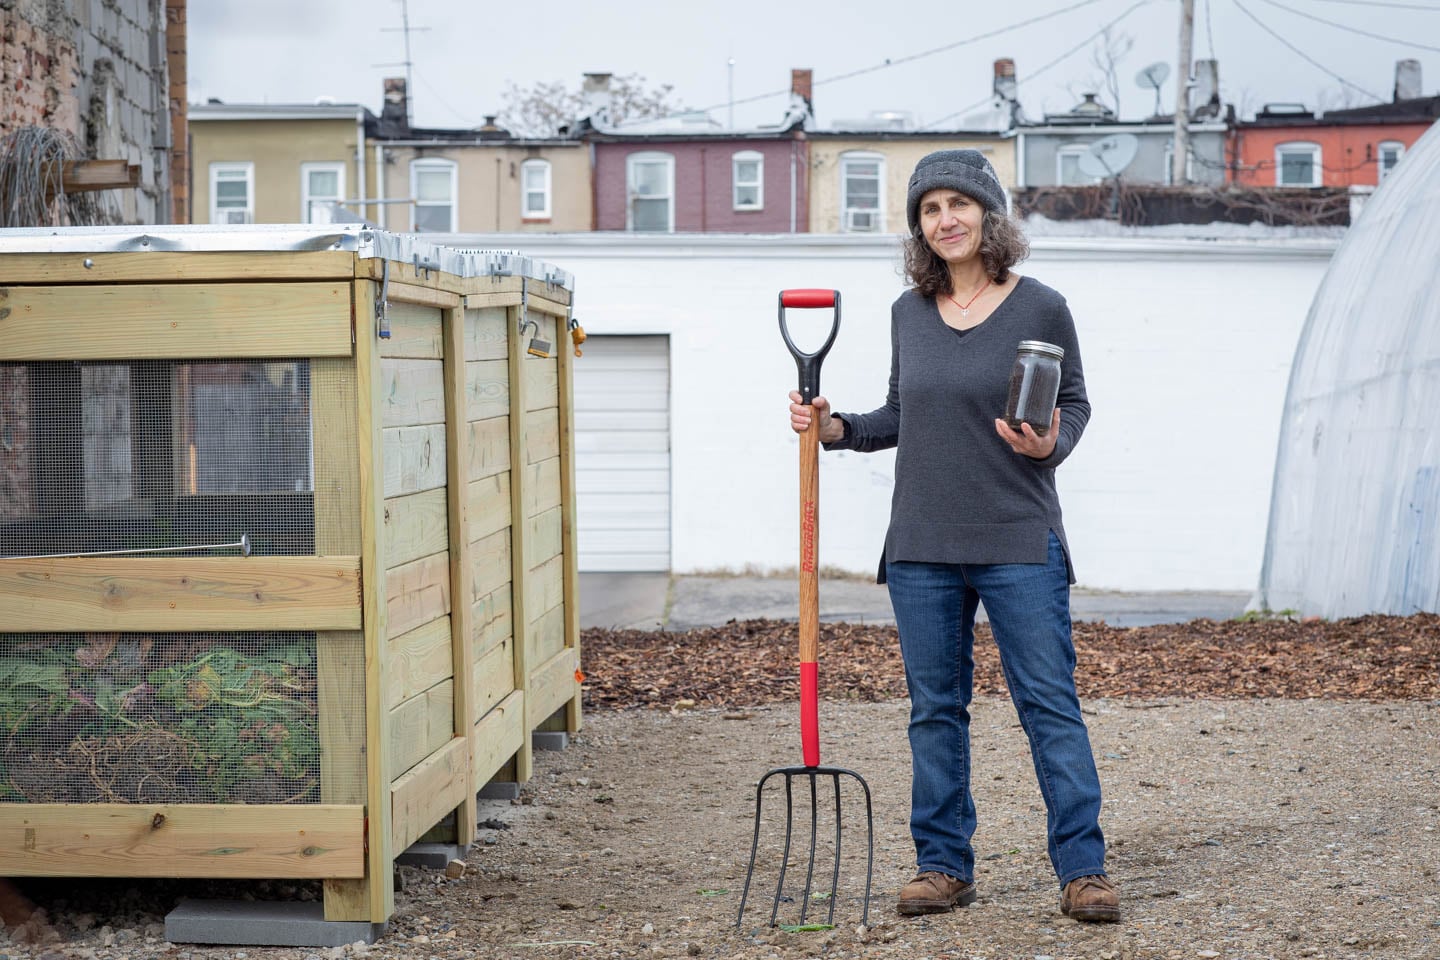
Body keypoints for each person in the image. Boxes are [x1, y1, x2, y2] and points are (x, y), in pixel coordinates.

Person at [786, 149, 1118, 923]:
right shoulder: (909, 312)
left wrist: (1050, 444)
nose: (945, 221)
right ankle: (943, 866)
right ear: (919, 228)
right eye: (929, 210)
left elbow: (1073, 403)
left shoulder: (1040, 305)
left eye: (958, 205)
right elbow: (902, 415)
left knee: (1049, 705)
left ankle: (1083, 869)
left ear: (988, 214)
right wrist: (833, 427)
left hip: (1018, 537)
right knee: (935, 710)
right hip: (922, 545)